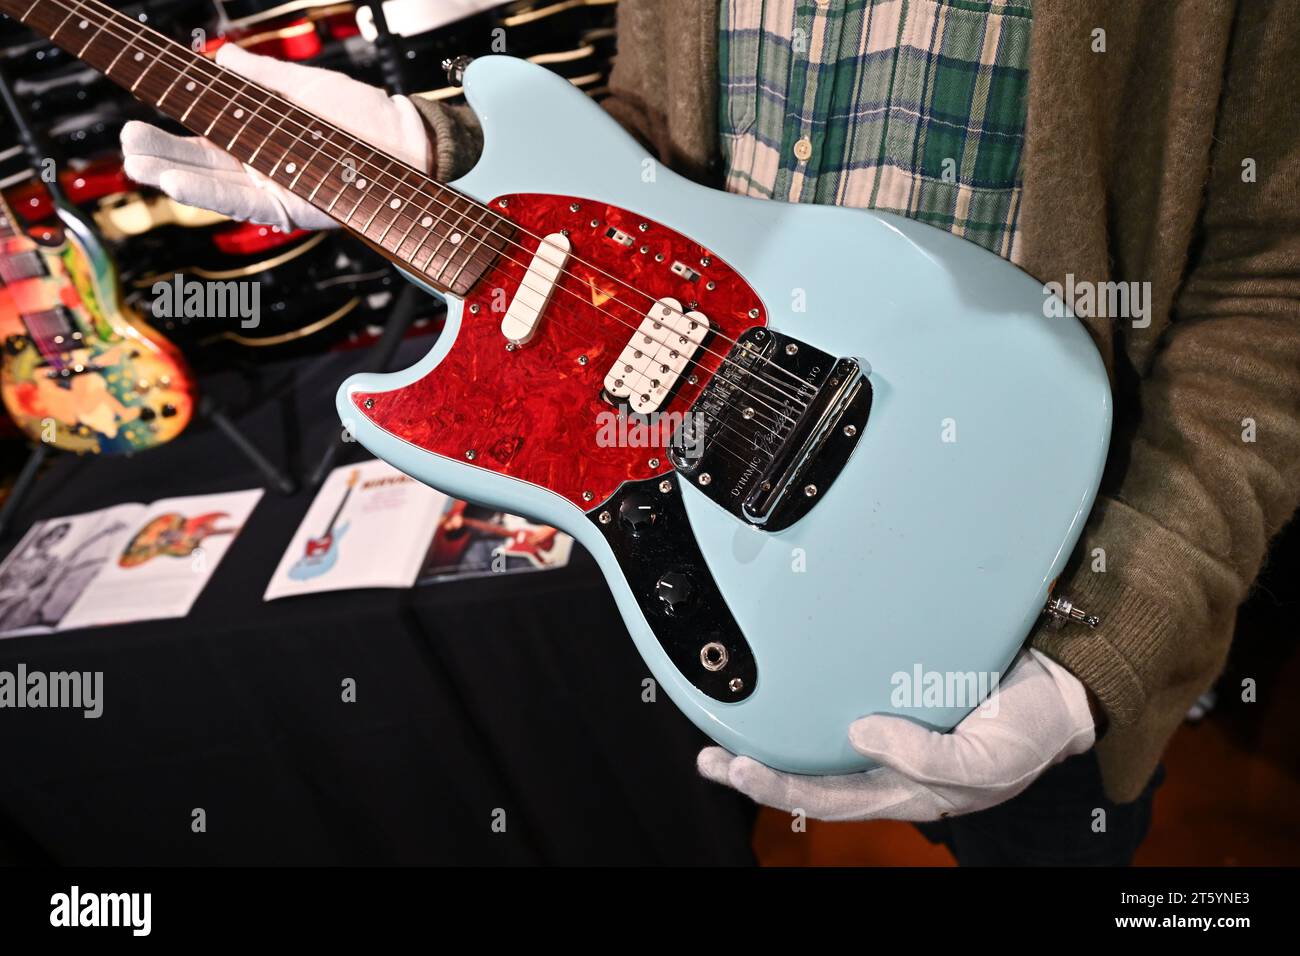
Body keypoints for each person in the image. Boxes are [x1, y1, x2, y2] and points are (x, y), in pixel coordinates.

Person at [120, 0, 1300, 865]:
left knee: (1053, 845)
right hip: (744, 528)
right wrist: (439, 153)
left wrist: (1110, 644)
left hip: (1063, 561)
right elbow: (659, 141)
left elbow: (1273, 278)